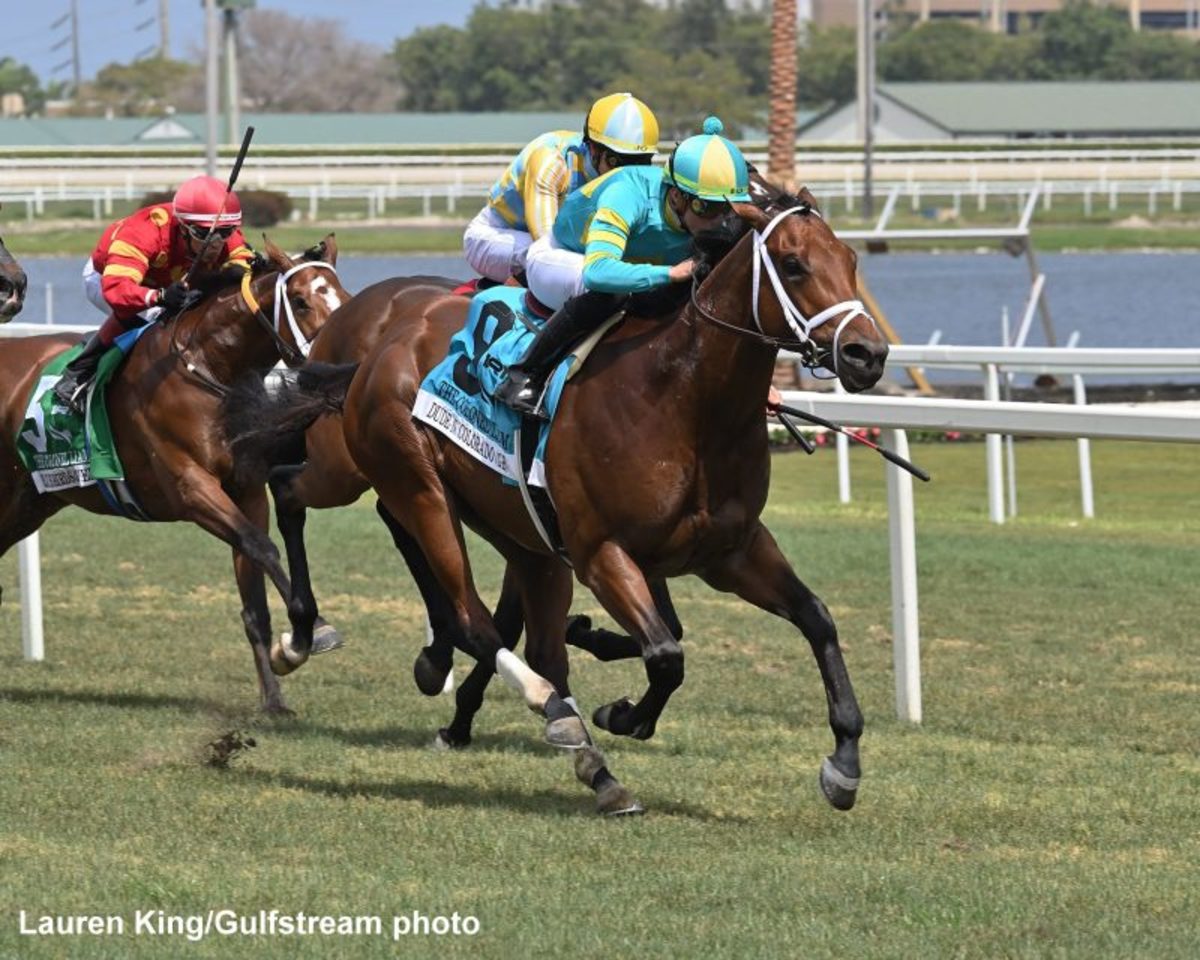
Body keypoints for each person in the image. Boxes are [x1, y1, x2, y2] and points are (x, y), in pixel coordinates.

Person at [494, 116, 751, 418]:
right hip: (558, 257)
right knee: (612, 292)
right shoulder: (628, 194)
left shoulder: (701, 216)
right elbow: (598, 271)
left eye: (727, 209)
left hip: (621, 263)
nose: (718, 221)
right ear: (678, 196)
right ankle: (523, 376)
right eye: (707, 207)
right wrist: (668, 273)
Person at [52, 175, 254, 412]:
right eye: (204, 234)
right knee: (153, 315)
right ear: (183, 227)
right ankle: (79, 373)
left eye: (226, 231)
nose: (216, 243)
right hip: (108, 279)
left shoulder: (218, 225)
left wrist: (237, 270)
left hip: (171, 277)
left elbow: (242, 258)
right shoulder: (142, 232)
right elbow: (117, 291)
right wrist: (158, 297)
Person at [462, 92, 659, 285]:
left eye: (641, 163)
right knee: (581, 264)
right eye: (617, 162)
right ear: (593, 148)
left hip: (561, 240)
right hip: (494, 236)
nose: (627, 174)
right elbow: (546, 248)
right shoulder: (551, 160)